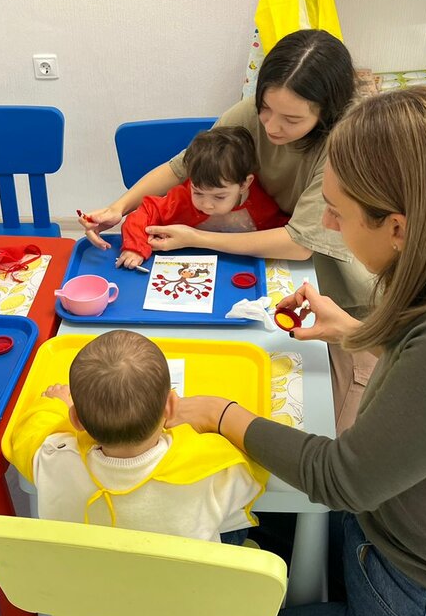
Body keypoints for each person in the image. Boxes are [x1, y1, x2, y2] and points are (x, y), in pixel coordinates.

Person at [169, 87, 426, 616]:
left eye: (337, 213)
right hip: (384, 541)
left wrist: (223, 415)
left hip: (423, 611)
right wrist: (355, 330)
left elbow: (341, 478)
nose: (324, 223)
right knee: (259, 529)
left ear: (397, 227)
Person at [82, 30, 376, 434]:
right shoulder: (252, 114)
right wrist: (119, 207)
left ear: (326, 113)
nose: (271, 126)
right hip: (271, 261)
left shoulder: (347, 142)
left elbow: (299, 245)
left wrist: (197, 237)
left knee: (333, 423)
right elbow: (182, 167)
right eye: (266, 110)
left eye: (292, 119)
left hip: (341, 283)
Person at [2, 329, 265, 543]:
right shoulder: (210, 475)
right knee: (233, 524)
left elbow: (27, 435)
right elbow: (255, 464)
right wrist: (212, 420)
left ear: (77, 421)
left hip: (89, 599)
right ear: (171, 407)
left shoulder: (53, 458)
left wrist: (54, 404)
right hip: (179, 601)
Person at [117, 126, 289, 269]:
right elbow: (145, 211)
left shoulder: (262, 207)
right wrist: (135, 248)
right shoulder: (182, 198)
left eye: (219, 196)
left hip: (242, 271)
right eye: (198, 192)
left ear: (244, 184)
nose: (206, 204)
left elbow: (284, 234)